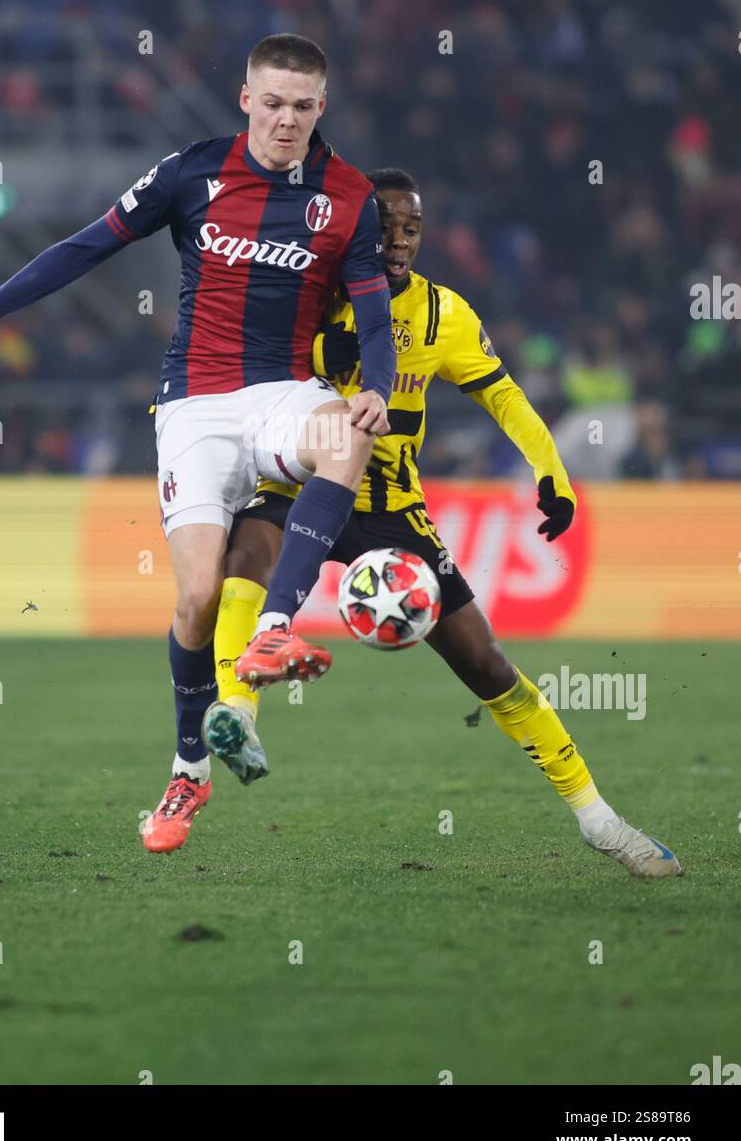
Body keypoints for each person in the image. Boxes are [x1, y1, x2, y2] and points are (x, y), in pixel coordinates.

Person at [0, 33, 396, 853]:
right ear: (247, 99)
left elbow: (370, 310)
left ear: (322, 108)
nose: (287, 120)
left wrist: (376, 390)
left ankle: (275, 629)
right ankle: (188, 770)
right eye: (274, 102)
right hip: (196, 405)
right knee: (195, 598)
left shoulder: (350, 197)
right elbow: (89, 244)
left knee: (345, 434)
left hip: (286, 390)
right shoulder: (192, 173)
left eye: (303, 106)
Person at [201, 168, 681, 879]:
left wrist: (551, 470)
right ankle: (237, 712)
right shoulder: (310, 294)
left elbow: (504, 396)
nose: (398, 240)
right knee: (248, 549)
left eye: (412, 227)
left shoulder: (444, 316)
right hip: (304, 482)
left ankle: (598, 818)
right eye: (385, 224)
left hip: (393, 508)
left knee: (487, 666)